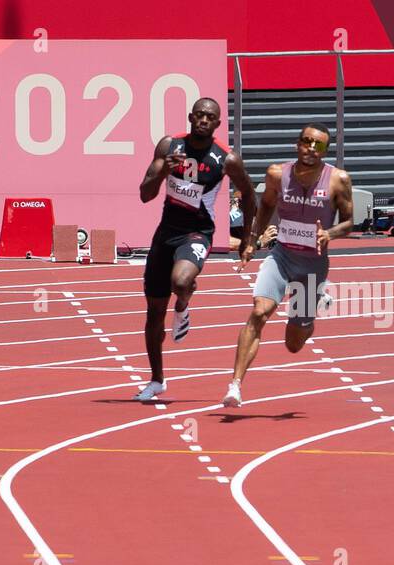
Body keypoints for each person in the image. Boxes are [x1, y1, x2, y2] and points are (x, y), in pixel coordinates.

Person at [223, 124, 354, 407]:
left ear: (325, 150)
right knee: (259, 312)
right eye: (306, 141)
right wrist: (252, 240)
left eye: (317, 144)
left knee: (293, 344)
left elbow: (350, 221)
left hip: (312, 264)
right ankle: (235, 385)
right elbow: (266, 206)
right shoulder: (276, 174)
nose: (310, 147)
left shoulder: (338, 180)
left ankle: (313, 303)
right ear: (297, 144)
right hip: (281, 256)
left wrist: (329, 234)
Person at [135, 97, 256, 402]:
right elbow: (145, 195)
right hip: (166, 234)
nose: (203, 120)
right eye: (199, 115)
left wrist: (248, 239)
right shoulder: (169, 146)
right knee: (153, 315)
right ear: (191, 117)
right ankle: (156, 380)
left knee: (180, 281)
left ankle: (184, 303)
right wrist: (164, 170)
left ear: (217, 124)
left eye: (209, 117)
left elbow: (250, 195)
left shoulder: (226, 159)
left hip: (197, 233)